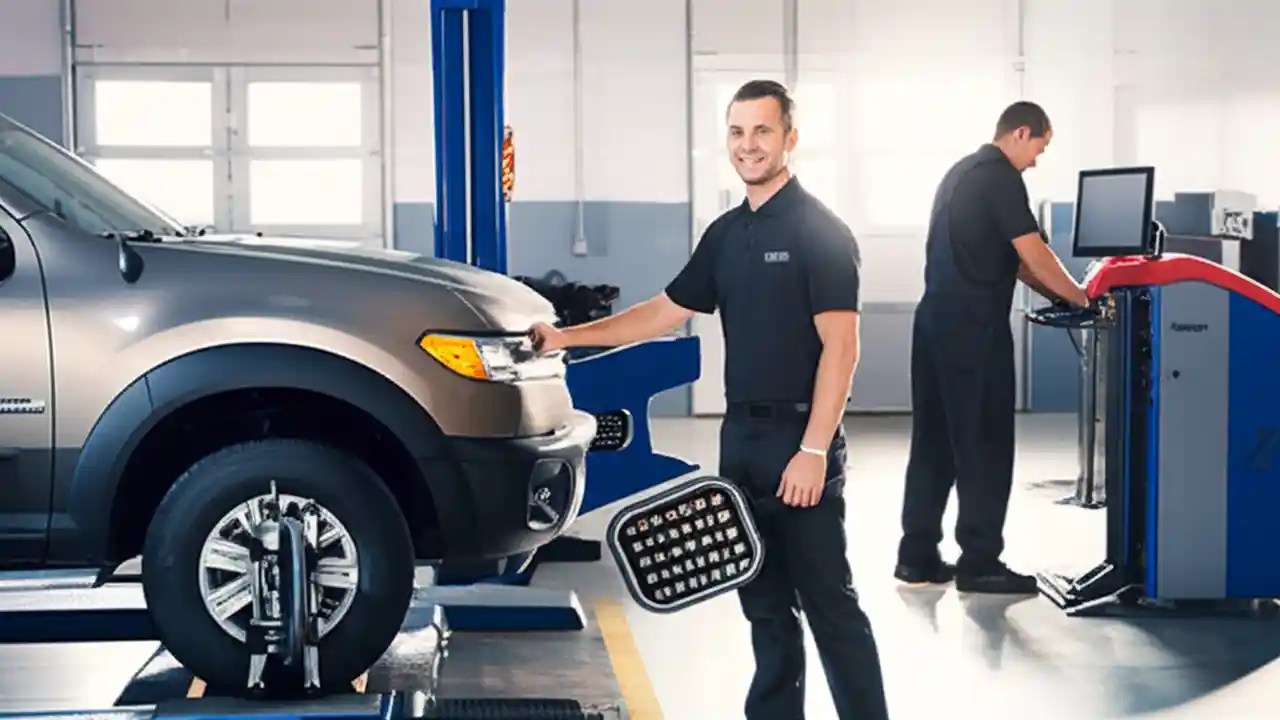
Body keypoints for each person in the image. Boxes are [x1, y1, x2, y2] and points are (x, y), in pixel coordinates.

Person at [528, 79, 890, 720]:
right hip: (742, 439)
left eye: (762, 131)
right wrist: (566, 337)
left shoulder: (822, 232)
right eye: (737, 131)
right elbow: (660, 312)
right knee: (763, 604)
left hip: (800, 440)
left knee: (829, 604)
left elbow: (842, 349)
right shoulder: (725, 235)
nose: (748, 145)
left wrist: (813, 451)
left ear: (790, 138)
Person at [894, 101, 1090, 594]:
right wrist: (1084, 298)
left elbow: (1018, 262)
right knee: (985, 442)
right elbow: (1033, 252)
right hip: (973, 329)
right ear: (1020, 133)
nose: (1037, 160)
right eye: (1039, 147)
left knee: (935, 442)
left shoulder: (960, 173)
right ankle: (980, 562)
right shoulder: (1001, 177)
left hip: (933, 323)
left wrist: (1058, 294)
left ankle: (916, 556)